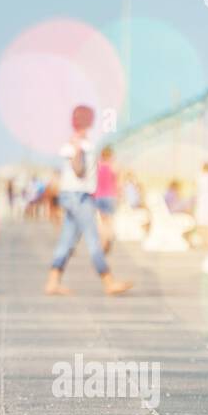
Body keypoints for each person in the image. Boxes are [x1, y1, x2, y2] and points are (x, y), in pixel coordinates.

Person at [45, 106, 132, 297]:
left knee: (67, 241)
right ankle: (108, 280)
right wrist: (77, 151)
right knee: (93, 238)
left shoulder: (79, 142)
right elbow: (78, 170)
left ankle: (53, 281)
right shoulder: (78, 144)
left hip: (73, 195)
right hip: (78, 196)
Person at [94, 145, 119, 253]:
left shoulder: (97, 166)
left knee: (102, 221)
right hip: (110, 196)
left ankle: (103, 241)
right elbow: (118, 183)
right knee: (110, 221)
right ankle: (108, 238)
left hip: (98, 196)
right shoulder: (114, 167)